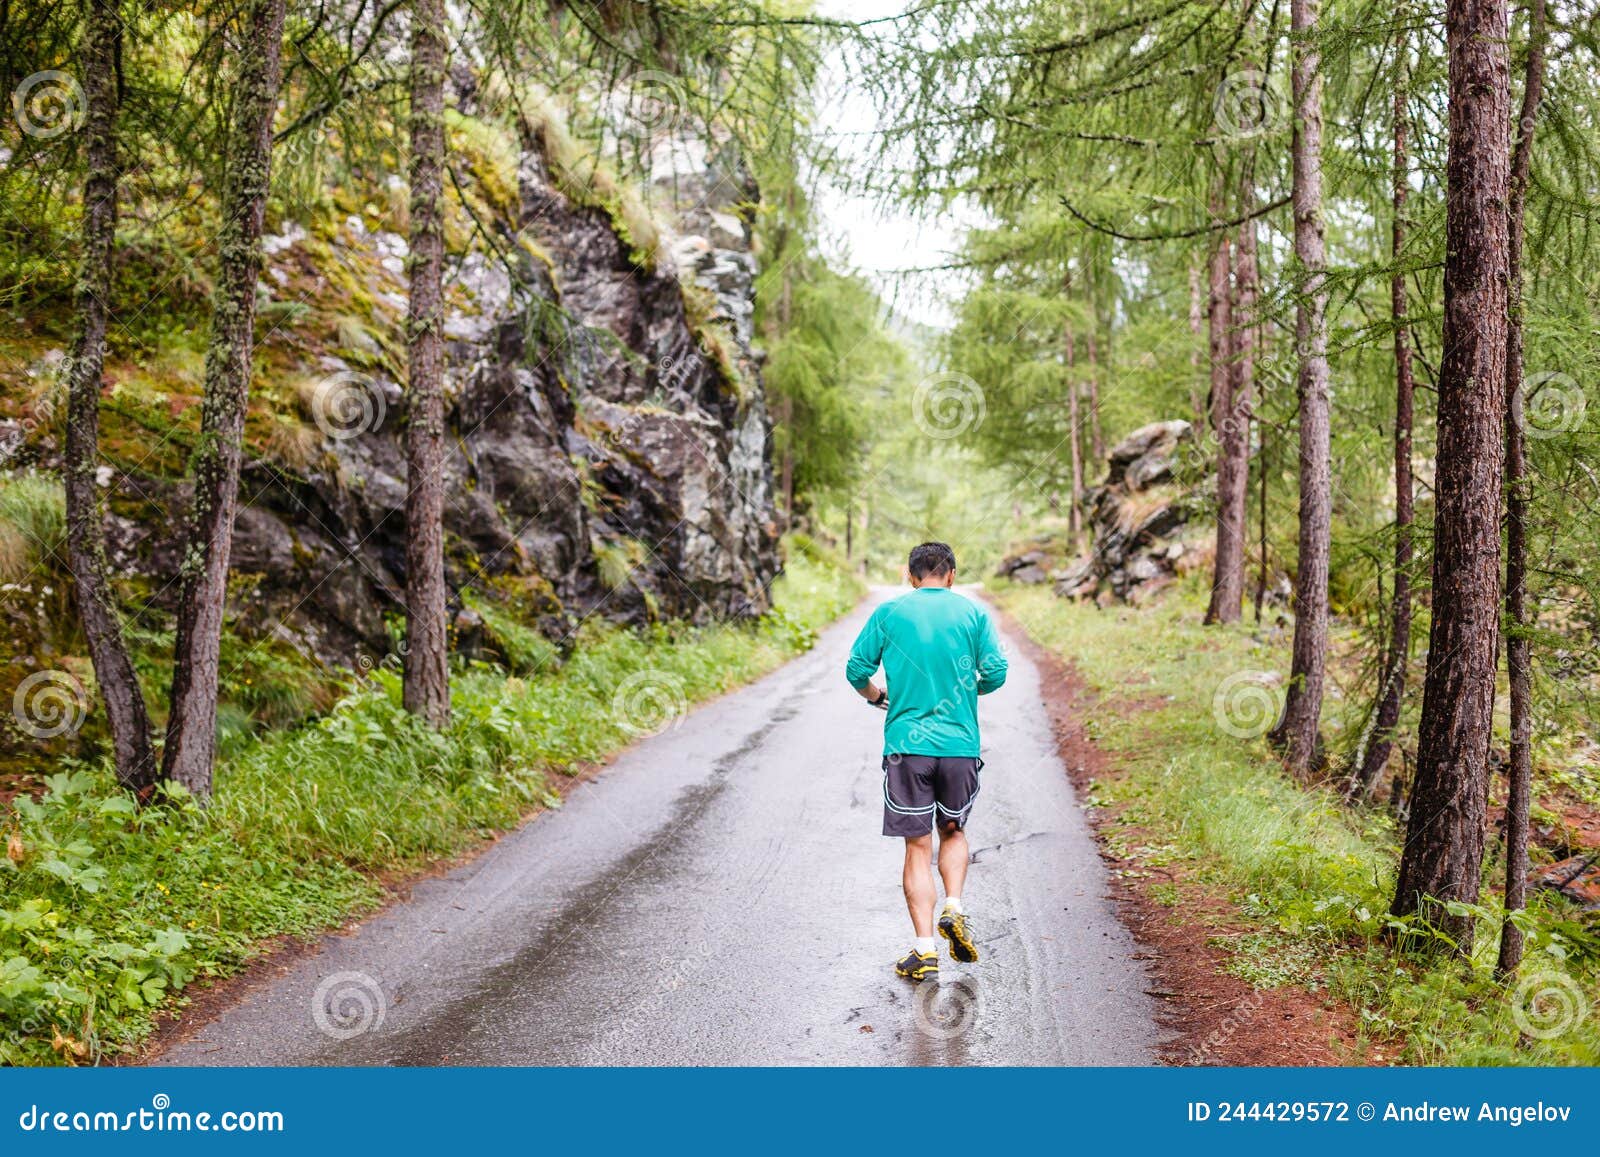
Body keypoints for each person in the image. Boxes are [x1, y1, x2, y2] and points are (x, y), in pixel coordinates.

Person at [845, 542, 1008, 981]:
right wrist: (964, 694)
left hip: (906, 747)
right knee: (953, 830)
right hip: (959, 746)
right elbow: (996, 672)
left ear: (910, 575)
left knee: (918, 846)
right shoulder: (973, 615)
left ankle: (924, 950)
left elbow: (856, 670)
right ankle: (954, 905)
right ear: (951, 574)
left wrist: (879, 697)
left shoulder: (890, 614)